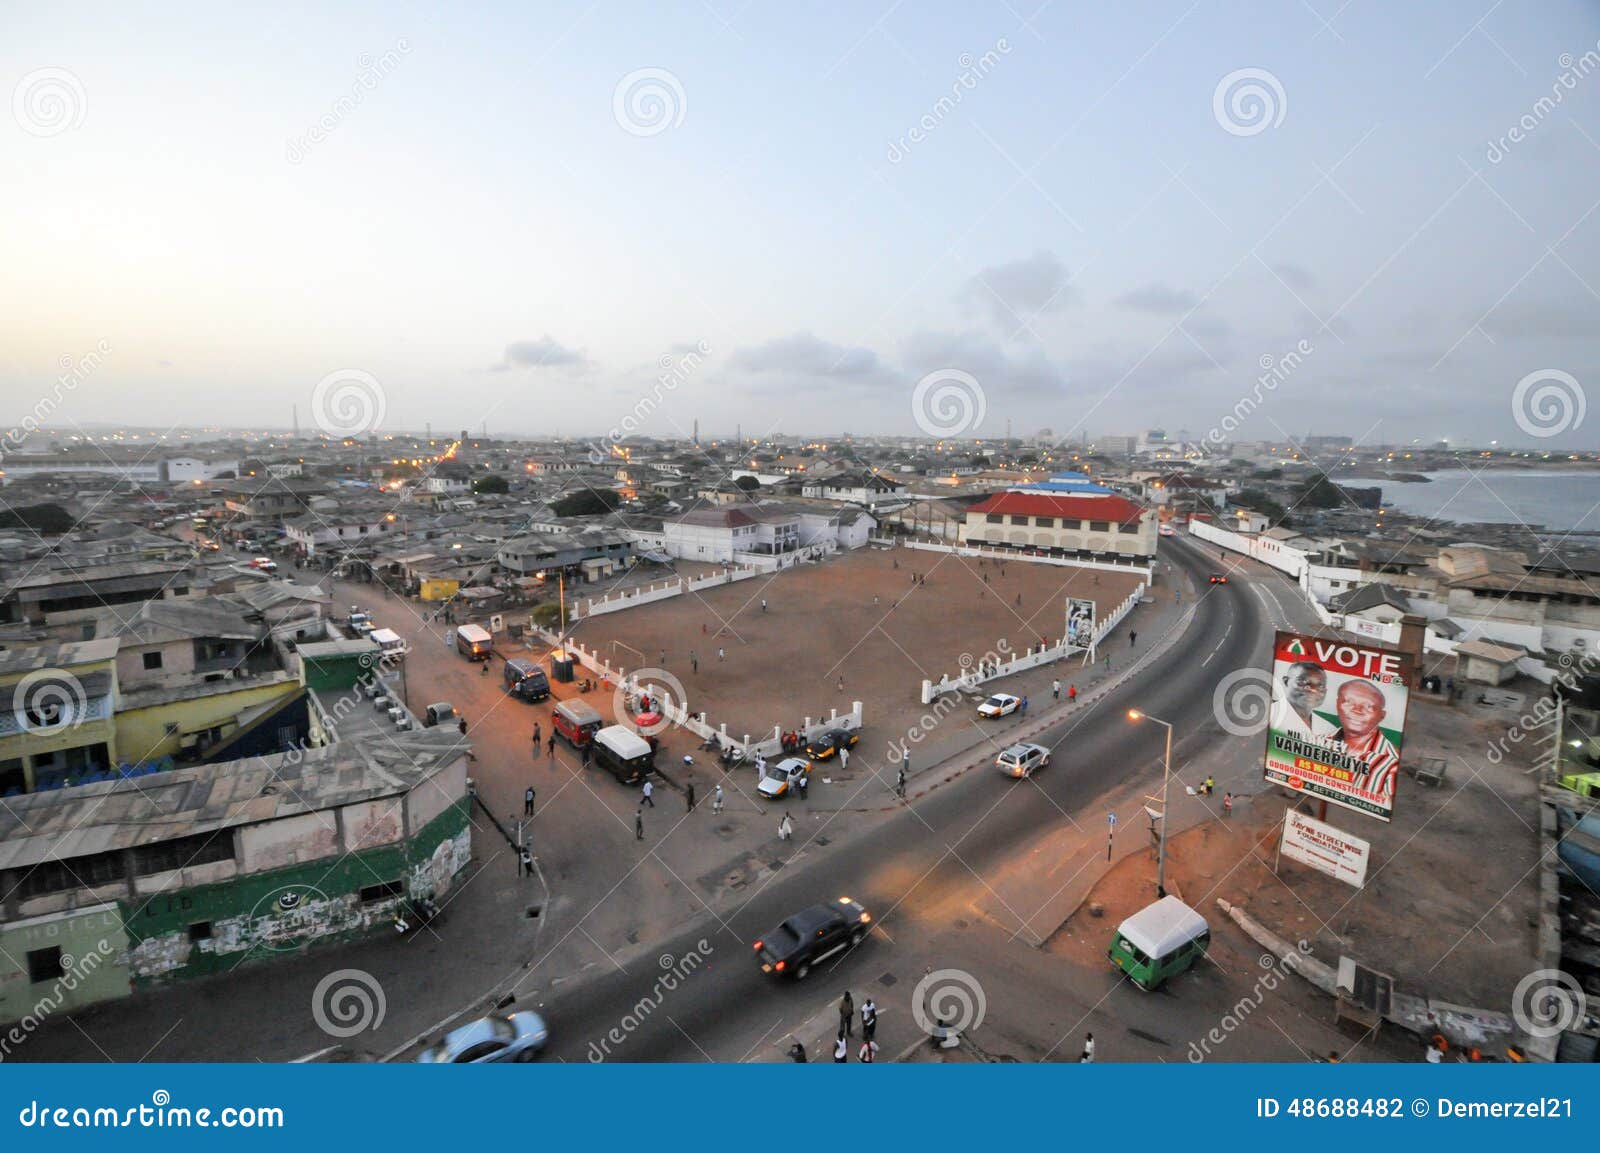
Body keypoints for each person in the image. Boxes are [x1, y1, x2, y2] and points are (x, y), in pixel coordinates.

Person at [1331, 680, 1401, 797]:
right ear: (1337, 704)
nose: (1357, 710)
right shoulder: (1318, 740)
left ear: (1382, 715)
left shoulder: (1392, 764)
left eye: (1369, 706)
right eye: (1349, 702)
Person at [1270, 661, 1338, 739]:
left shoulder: (1329, 729)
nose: (1313, 690)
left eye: (1320, 686)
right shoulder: (1270, 715)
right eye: (1302, 682)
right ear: (1286, 681)